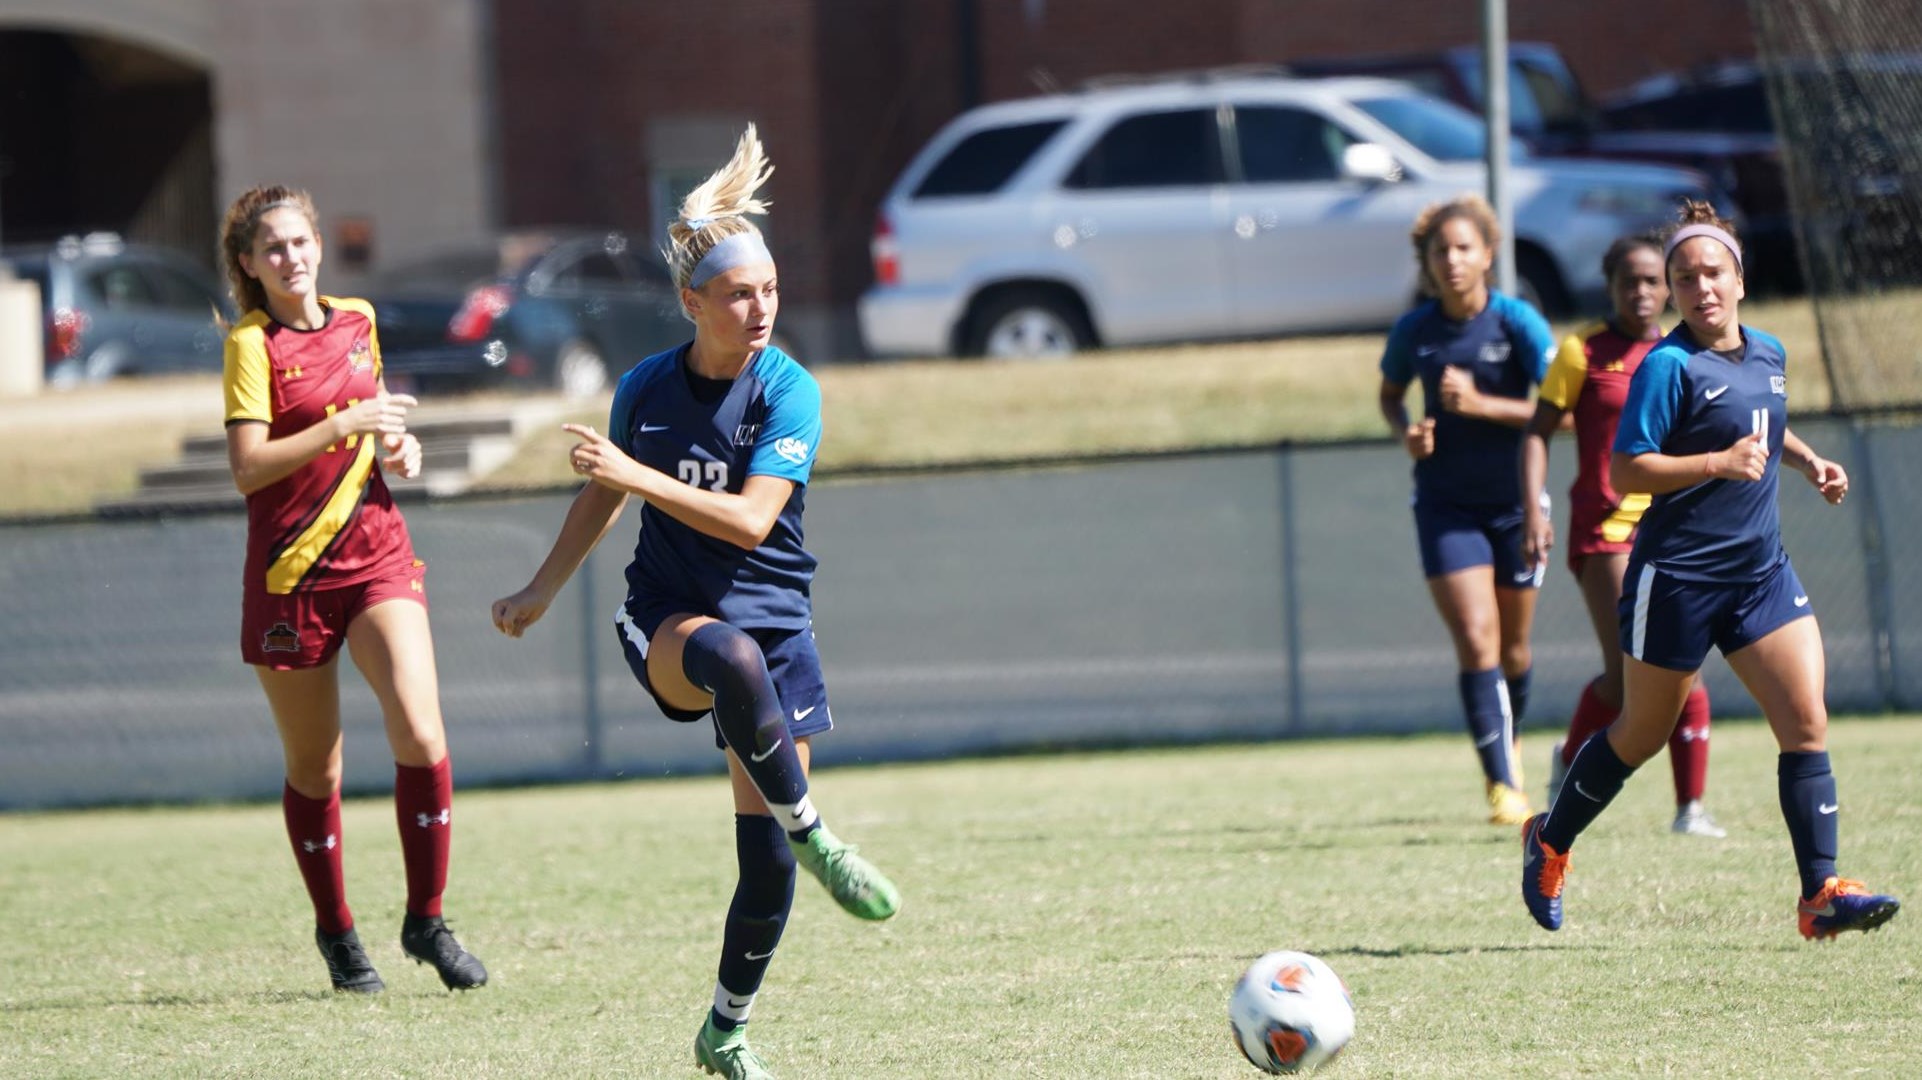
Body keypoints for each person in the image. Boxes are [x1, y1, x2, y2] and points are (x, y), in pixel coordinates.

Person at [490, 126, 898, 1080]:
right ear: (692, 303)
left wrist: (635, 470)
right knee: (729, 661)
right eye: (737, 295)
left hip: (777, 620)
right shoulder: (646, 387)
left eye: (769, 291)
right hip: (671, 619)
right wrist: (543, 588)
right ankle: (824, 836)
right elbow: (604, 492)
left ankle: (726, 1031)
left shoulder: (789, 390)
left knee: (766, 870)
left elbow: (754, 523)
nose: (759, 309)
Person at [1521, 201, 1901, 939]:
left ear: (1740, 279)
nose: (1701, 288)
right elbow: (1628, 468)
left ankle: (1819, 894)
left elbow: (1765, 425)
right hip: (1678, 578)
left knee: (1806, 722)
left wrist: (1809, 461)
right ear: (1672, 291)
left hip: (1760, 574)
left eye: (1713, 272)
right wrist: (1715, 465)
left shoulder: (1769, 353)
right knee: (1640, 733)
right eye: (1685, 278)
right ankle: (1551, 840)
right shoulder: (1667, 365)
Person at [219, 186, 488, 992]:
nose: (291, 258)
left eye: (300, 242)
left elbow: (375, 432)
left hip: (376, 555)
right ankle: (338, 934)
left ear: (318, 245)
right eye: (273, 249)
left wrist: (394, 450)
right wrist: (341, 428)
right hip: (290, 579)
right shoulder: (250, 345)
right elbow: (247, 467)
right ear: (249, 266)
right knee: (317, 770)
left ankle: (427, 921)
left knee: (422, 732)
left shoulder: (358, 319)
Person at [1520, 234, 1724, 839]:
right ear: (1609, 285)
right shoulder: (1582, 351)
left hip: (1670, 534)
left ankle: (1691, 810)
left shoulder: (1685, 353)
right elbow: (1536, 431)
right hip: (1604, 534)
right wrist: (1536, 505)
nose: (1641, 292)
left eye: (1651, 281)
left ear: (1669, 286)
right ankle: (1573, 767)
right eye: (1627, 281)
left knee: (1676, 674)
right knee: (1629, 671)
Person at [1379, 195, 1557, 826]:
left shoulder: (1517, 324)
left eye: (1463, 248)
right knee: (1477, 640)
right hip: (1445, 506)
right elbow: (1390, 395)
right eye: (1439, 252)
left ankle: (1511, 747)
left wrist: (1483, 405)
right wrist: (1408, 432)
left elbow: (1557, 408)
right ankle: (1502, 784)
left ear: (1488, 254)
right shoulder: (1415, 332)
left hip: (1515, 508)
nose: (1452, 261)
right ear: (1426, 263)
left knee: (1513, 651)